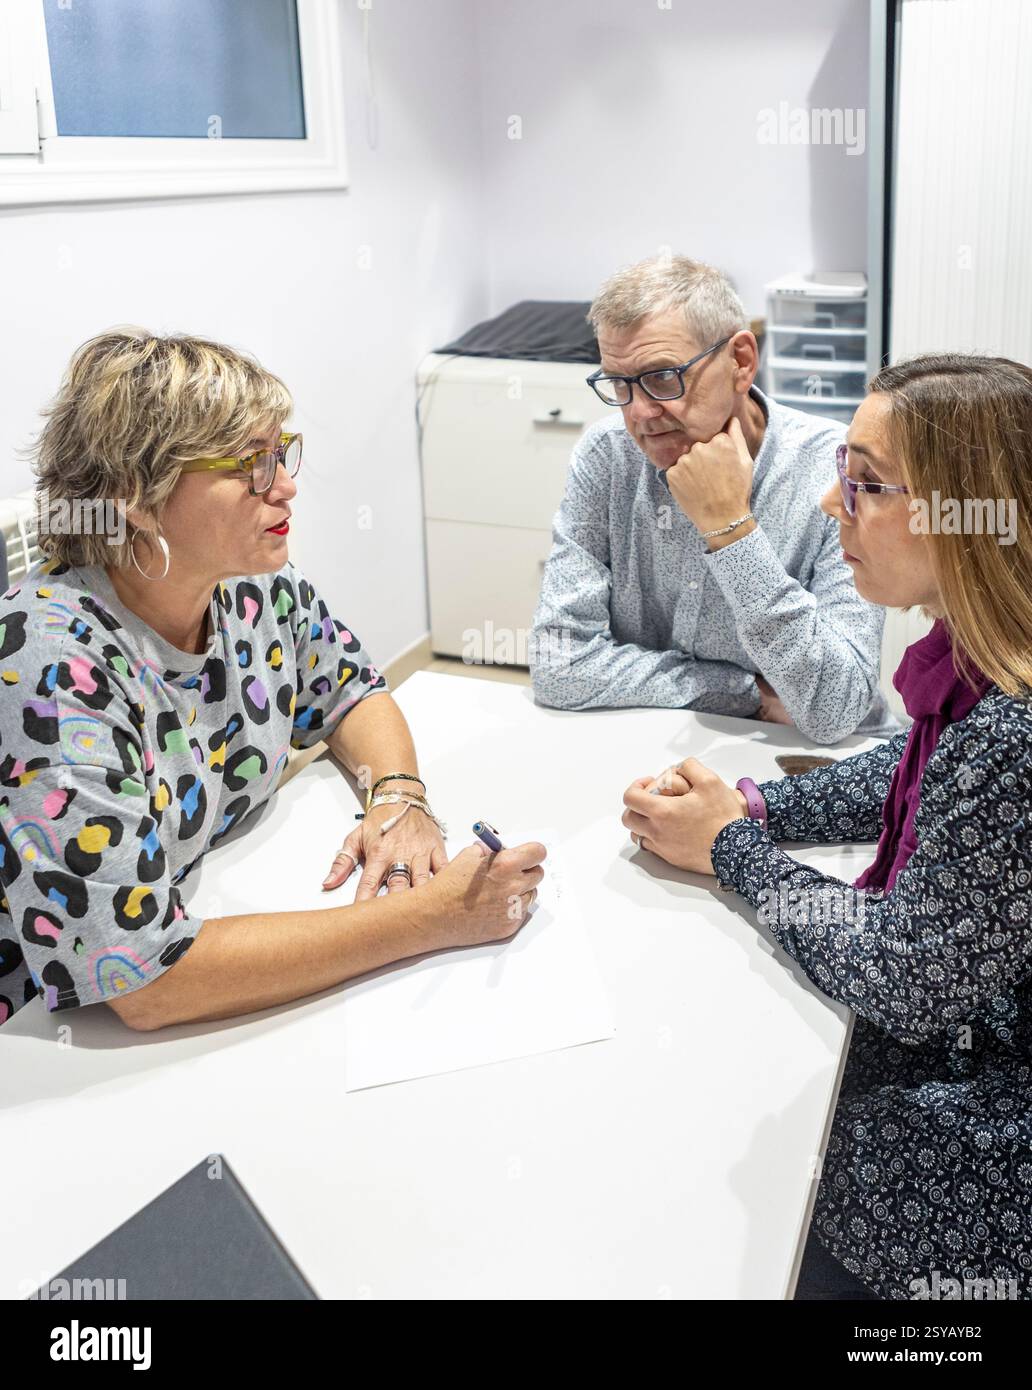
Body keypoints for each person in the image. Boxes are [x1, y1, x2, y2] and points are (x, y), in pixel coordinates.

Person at [621, 353, 1032, 1299]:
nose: (828, 508)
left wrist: (734, 849)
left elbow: (909, 977)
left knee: (750, 1159)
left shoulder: (1013, 731)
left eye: (868, 487)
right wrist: (762, 804)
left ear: (971, 514)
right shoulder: (985, 664)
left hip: (994, 1125)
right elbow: (917, 769)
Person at [0, 329, 545, 1033]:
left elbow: (352, 688)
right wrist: (433, 918)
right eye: (249, 464)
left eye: (281, 454)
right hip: (42, 1034)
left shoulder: (252, 590)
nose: (284, 485)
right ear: (135, 494)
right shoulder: (49, 669)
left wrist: (400, 796)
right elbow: (143, 981)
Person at [531, 253, 897, 744]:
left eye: (663, 377)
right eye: (619, 384)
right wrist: (742, 691)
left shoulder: (834, 471)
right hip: (666, 744)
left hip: (831, 763)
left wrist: (730, 528)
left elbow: (835, 708)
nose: (639, 412)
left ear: (741, 361)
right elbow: (558, 662)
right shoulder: (607, 457)